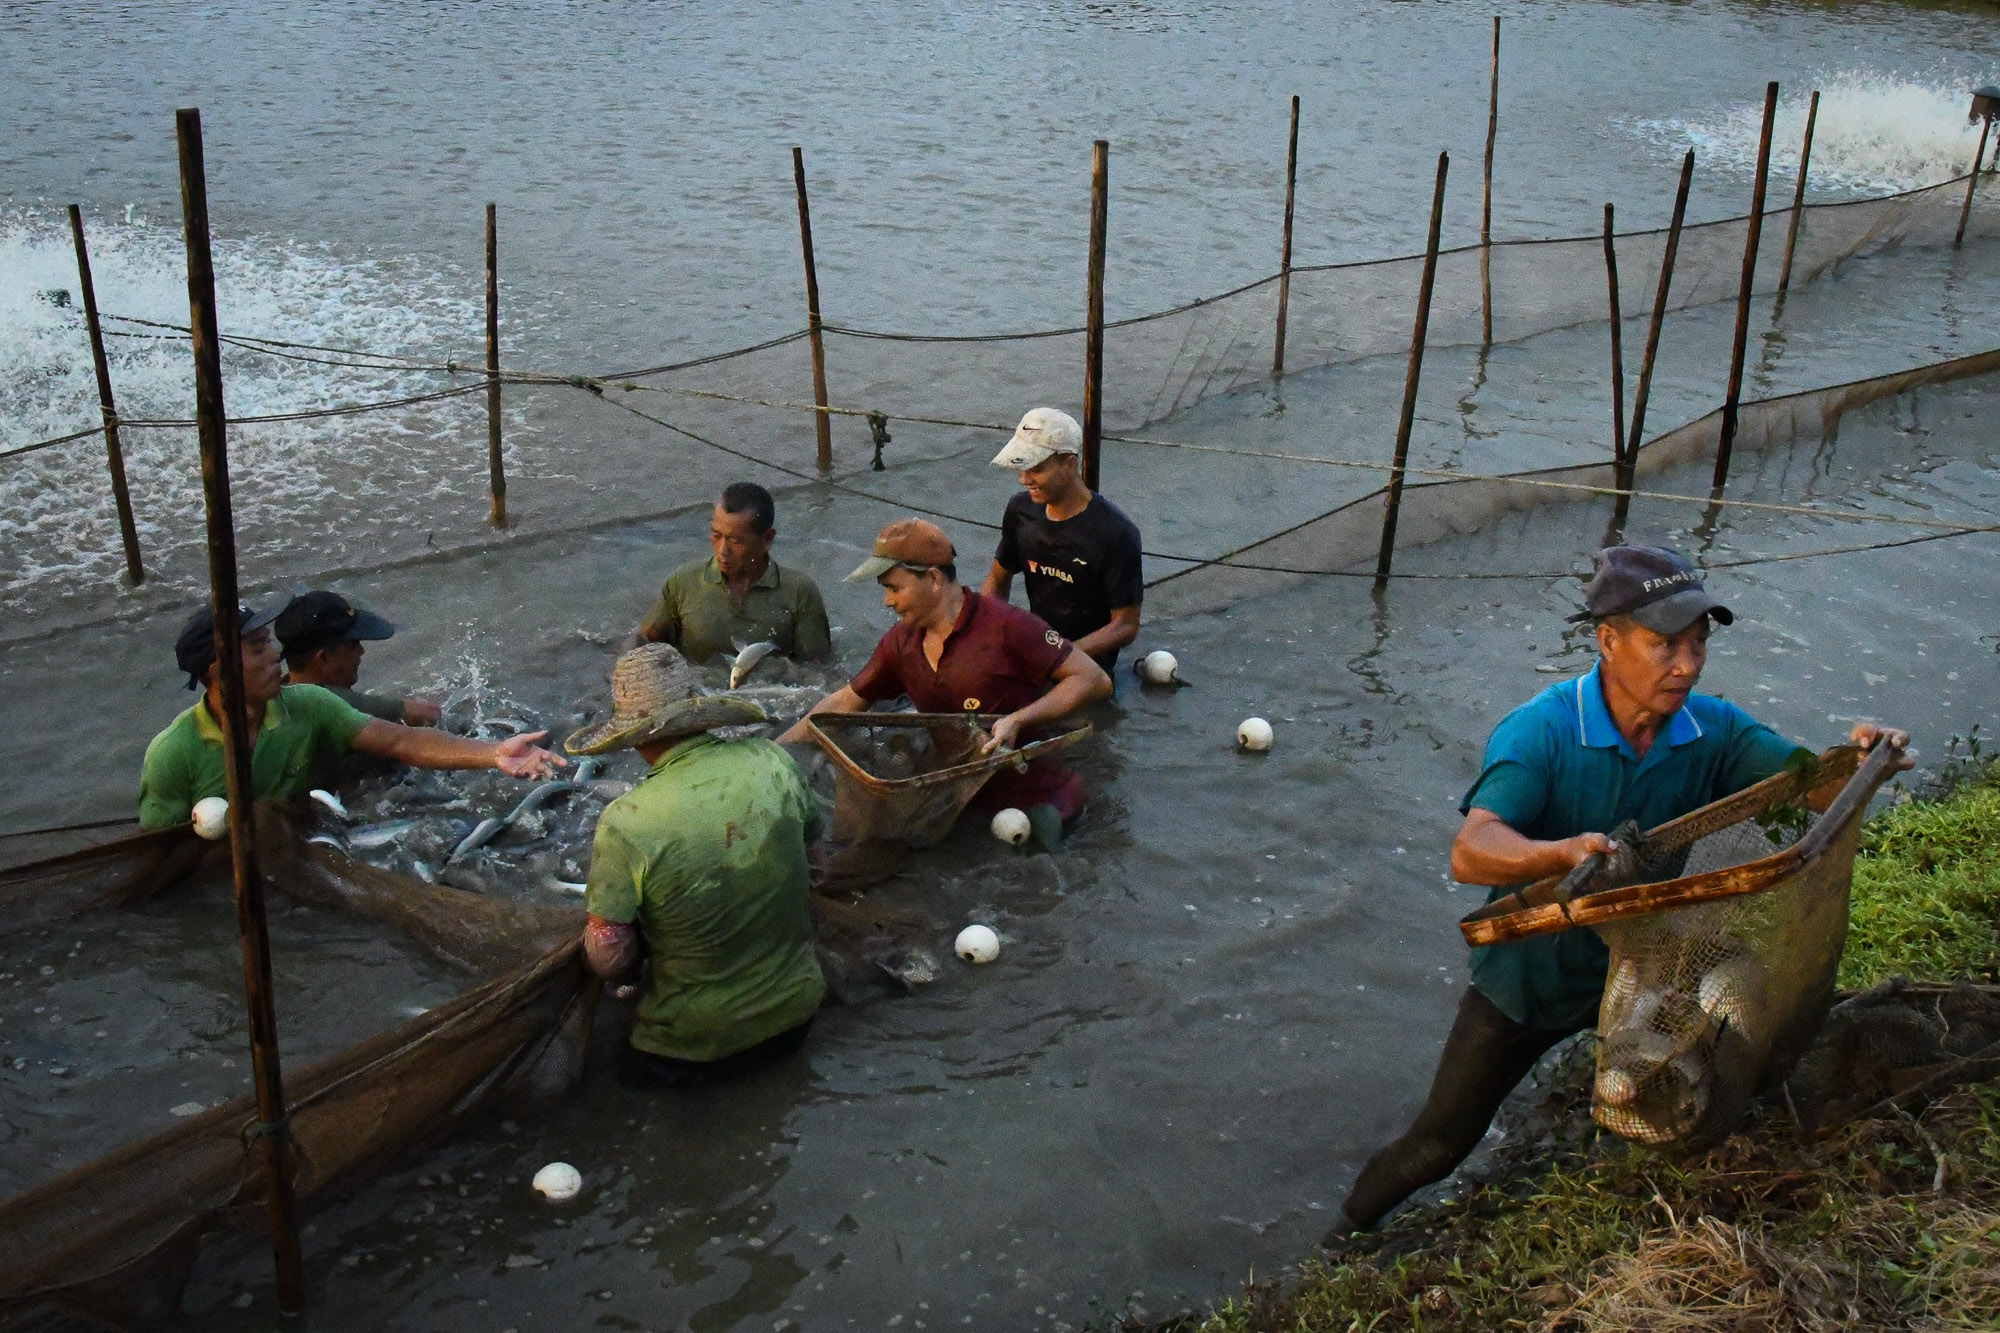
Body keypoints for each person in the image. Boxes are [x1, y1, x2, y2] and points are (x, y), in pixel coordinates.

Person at [1338, 545, 1910, 1233]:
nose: (1688, 665)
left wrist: (1865, 758)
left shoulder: (1713, 727)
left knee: (1701, 1081)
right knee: (1437, 1143)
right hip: (1533, 979)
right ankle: (1345, 1232)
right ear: (1608, 640)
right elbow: (1474, 849)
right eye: (1665, 644)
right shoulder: (1542, 730)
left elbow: (1812, 788)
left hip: (1647, 970)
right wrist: (1561, 850)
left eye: (1698, 644)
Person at [569, 643, 825, 1087]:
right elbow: (815, 862)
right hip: (797, 1016)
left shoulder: (627, 820)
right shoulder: (773, 760)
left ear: (633, 737)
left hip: (693, 1047)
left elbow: (608, 957)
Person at [780, 517, 1112, 850]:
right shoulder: (899, 644)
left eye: (895, 588)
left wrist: (1019, 719)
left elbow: (1093, 680)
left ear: (934, 579)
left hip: (1037, 798)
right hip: (957, 802)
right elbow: (840, 706)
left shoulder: (1007, 626)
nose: (887, 602)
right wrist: (774, 751)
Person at [138, 604, 564, 830]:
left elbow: (401, 741)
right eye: (256, 650)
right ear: (218, 672)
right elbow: (158, 847)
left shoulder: (307, 703)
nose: (274, 656)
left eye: (269, 643)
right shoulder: (174, 754)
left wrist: (494, 753)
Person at [980, 407, 1143, 676]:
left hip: (1087, 665)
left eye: (1037, 469)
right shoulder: (1020, 512)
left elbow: (1125, 626)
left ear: (1069, 462)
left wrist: (1060, 655)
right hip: (1037, 647)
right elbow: (998, 580)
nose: (1024, 479)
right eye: (1022, 467)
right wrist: (984, 633)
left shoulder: (1116, 533)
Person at [635, 481, 833, 667]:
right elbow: (642, 643)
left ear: (767, 539)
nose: (722, 550)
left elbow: (818, 670)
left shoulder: (799, 593)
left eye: (736, 541)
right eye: (716, 535)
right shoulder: (683, 583)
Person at [275, 590, 442, 726]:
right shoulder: (327, 703)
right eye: (353, 644)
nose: (361, 650)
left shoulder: (282, 695)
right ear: (323, 658)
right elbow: (427, 713)